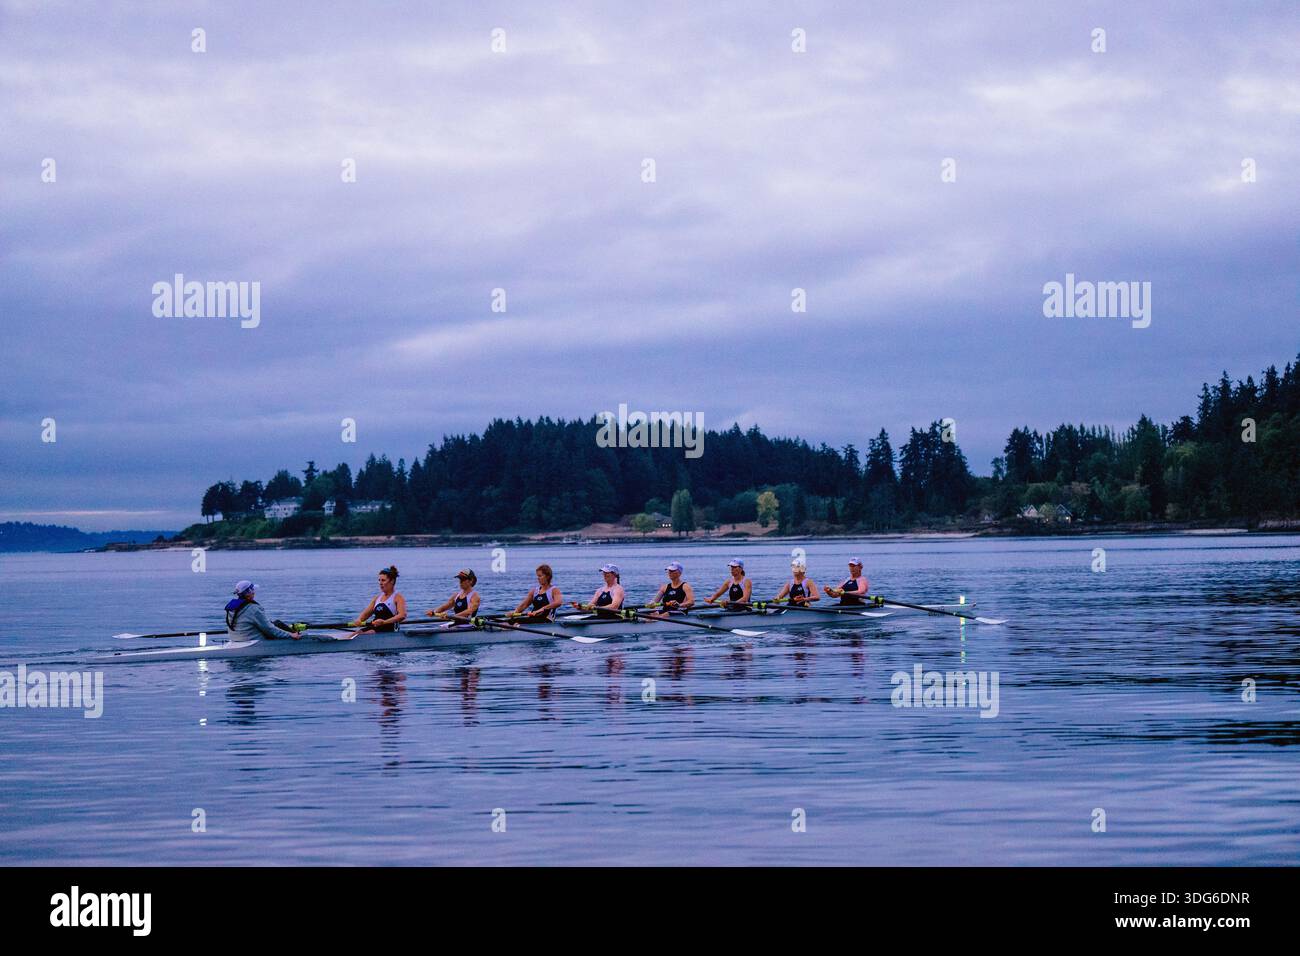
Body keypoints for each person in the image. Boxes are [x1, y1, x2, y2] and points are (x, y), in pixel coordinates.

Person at [225, 580, 302, 641]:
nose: (254, 592)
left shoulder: (232, 607)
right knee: (277, 625)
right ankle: (296, 636)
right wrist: (289, 635)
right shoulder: (253, 608)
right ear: (249, 593)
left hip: (236, 639)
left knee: (277, 623)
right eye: (253, 591)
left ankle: (294, 634)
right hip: (253, 640)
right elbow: (269, 629)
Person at [348, 565, 407, 633]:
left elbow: (402, 615)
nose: (380, 583)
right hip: (375, 628)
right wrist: (359, 620)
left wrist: (384, 622)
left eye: (383, 580)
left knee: (365, 635)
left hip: (389, 630)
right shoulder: (377, 598)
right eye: (379, 580)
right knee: (356, 634)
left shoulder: (398, 597)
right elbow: (365, 614)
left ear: (392, 581)